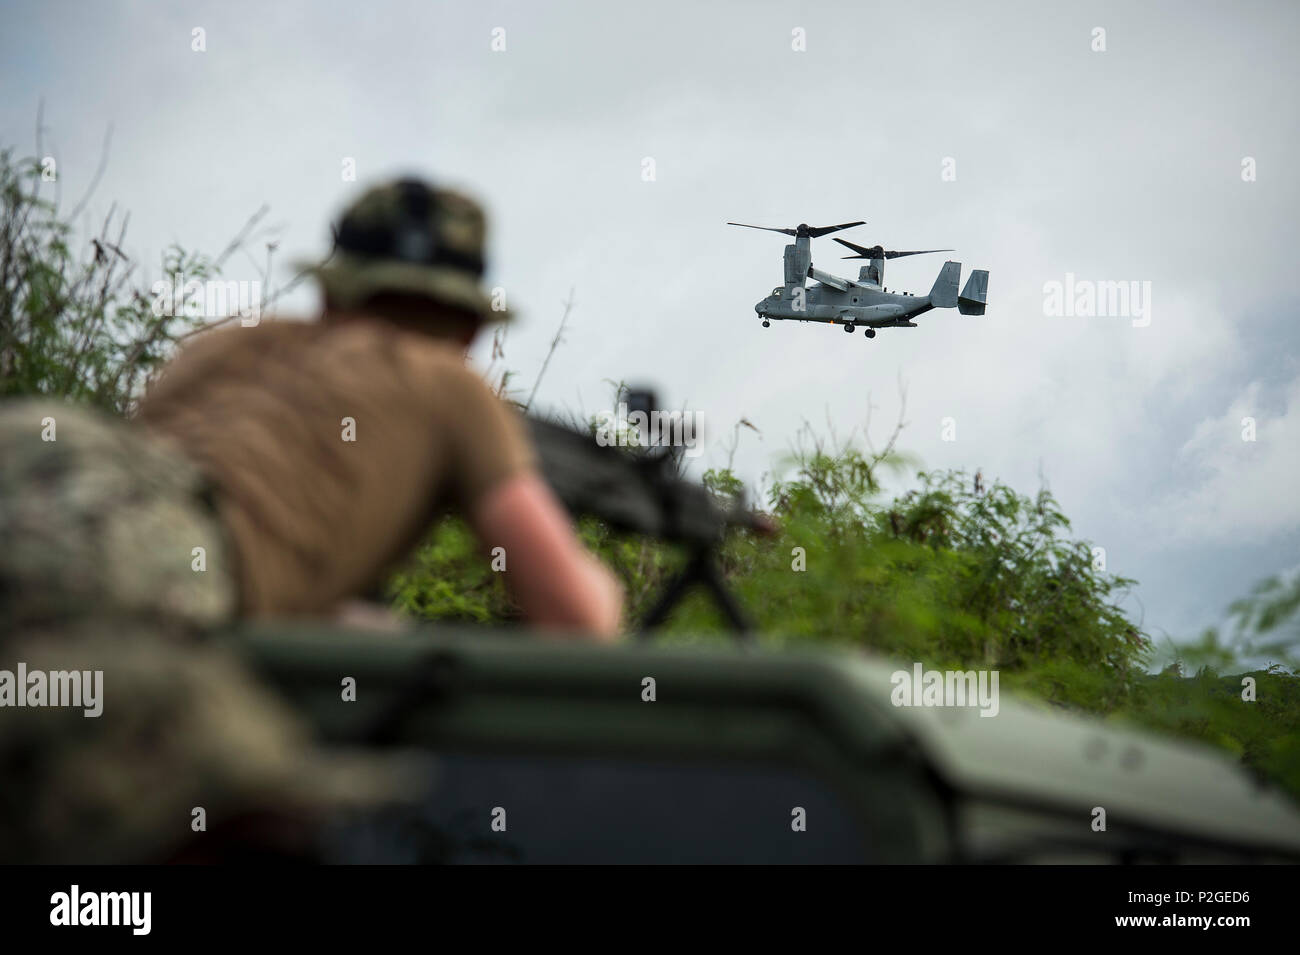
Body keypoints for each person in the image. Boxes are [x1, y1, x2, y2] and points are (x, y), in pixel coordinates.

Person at [135, 177, 622, 638]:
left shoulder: (217, 348)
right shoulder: (451, 385)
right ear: (470, 327)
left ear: (328, 295)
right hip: (137, 612)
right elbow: (574, 618)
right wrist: (605, 586)